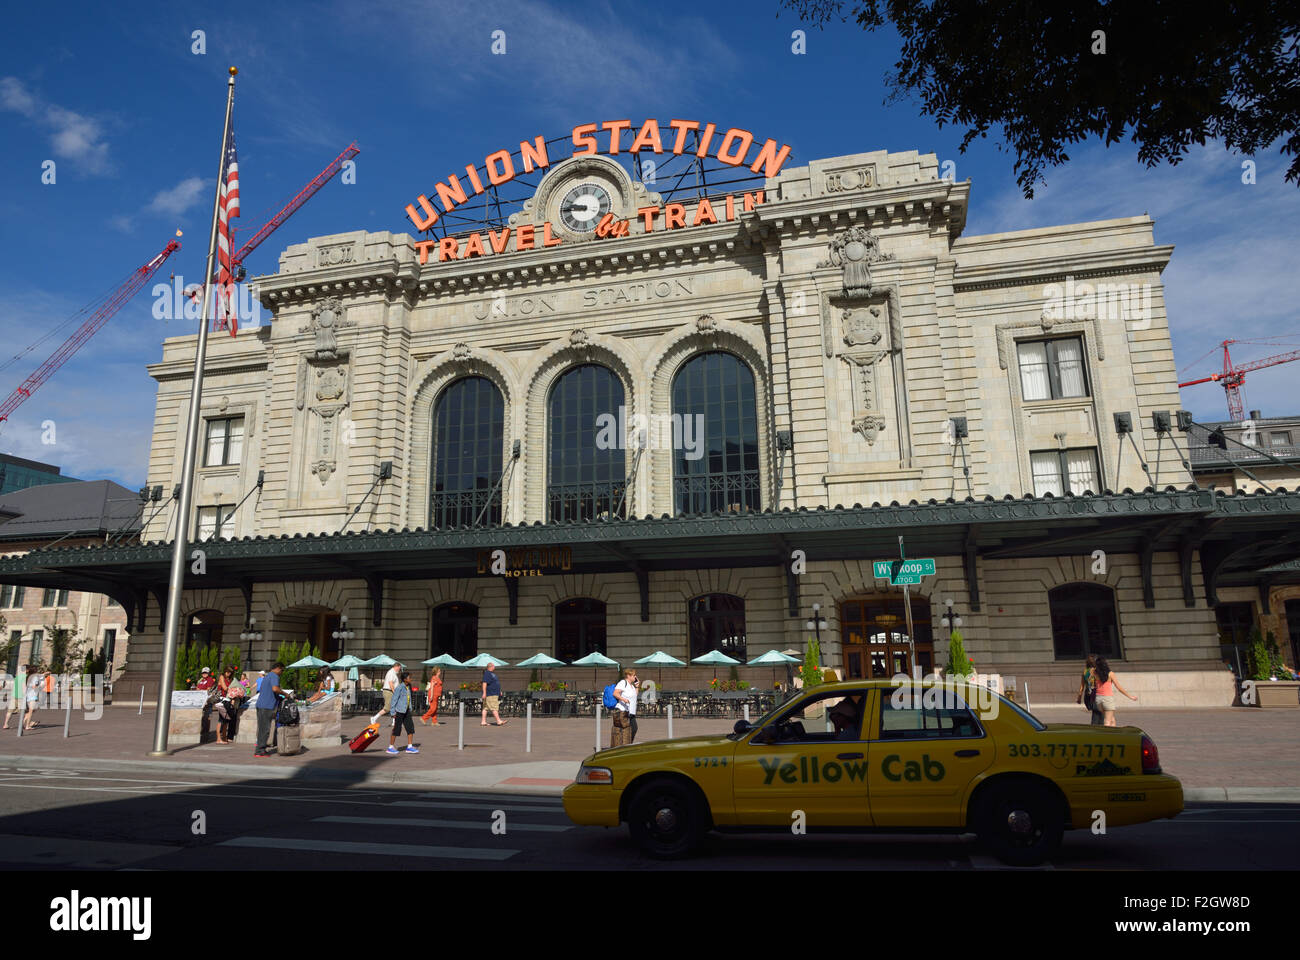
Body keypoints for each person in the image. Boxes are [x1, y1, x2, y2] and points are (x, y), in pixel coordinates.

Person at [1093, 656, 1137, 726]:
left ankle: (1114, 734)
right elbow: (1119, 688)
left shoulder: (1095, 673)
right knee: (1107, 721)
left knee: (1112, 719)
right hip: (1107, 699)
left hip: (1098, 699)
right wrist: (1130, 696)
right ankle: (1106, 736)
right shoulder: (1110, 674)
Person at [254, 662, 285, 758]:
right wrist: (285, 694)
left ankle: (259, 748)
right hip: (267, 706)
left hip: (261, 705)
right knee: (265, 729)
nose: (282, 673)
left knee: (262, 728)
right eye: (282, 670)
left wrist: (279, 697)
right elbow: (275, 689)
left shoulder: (267, 676)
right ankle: (260, 751)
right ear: (278, 668)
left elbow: (270, 691)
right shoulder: (275, 676)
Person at [386, 670, 418, 754]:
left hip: (406, 711)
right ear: (404, 679)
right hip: (399, 711)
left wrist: (410, 708)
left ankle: (410, 747)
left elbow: (409, 698)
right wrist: (393, 713)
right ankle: (390, 747)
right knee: (396, 729)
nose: (410, 679)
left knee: (410, 728)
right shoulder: (399, 688)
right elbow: (394, 700)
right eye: (409, 678)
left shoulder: (408, 687)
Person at [216, 668, 246, 744]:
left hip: (229, 700)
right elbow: (225, 688)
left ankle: (224, 737)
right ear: (225, 671)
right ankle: (218, 739)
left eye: (230, 672)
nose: (228, 673)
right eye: (227, 672)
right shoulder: (222, 677)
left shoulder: (231, 679)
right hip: (222, 699)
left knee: (226, 719)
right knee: (221, 719)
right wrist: (235, 691)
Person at [612, 668, 638, 746]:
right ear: (628, 676)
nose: (635, 677)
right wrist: (623, 699)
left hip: (631, 712)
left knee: (633, 729)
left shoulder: (632, 686)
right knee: (626, 730)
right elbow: (615, 693)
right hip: (623, 711)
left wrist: (637, 686)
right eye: (633, 675)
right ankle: (625, 746)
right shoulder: (623, 683)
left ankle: (627, 745)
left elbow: (635, 695)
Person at [1076, 655, 1104, 726]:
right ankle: (1098, 728)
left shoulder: (1085, 671)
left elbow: (1082, 685)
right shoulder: (1097, 671)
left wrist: (1079, 697)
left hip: (1088, 695)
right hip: (1097, 694)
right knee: (1099, 713)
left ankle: (1097, 727)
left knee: (1096, 712)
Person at [481, 662, 507, 726]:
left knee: (485, 708)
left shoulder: (491, 674)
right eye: (494, 666)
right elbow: (484, 683)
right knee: (494, 707)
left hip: (493, 693)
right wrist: (484, 693)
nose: (494, 667)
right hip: (491, 694)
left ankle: (483, 721)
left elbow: (495, 683)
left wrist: (499, 691)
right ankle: (498, 721)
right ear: (491, 666)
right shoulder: (487, 673)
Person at [2, 664, 27, 730]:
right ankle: (25, 724)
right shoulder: (25, 677)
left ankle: (5, 724)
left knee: (10, 711)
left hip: (14, 695)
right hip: (21, 696)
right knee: (24, 711)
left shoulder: (17, 677)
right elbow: (24, 687)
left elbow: (11, 686)